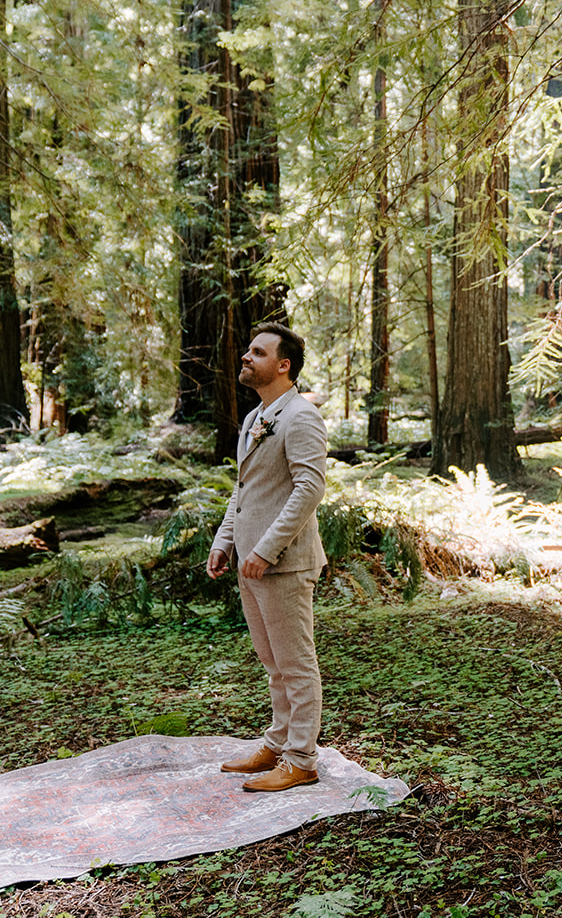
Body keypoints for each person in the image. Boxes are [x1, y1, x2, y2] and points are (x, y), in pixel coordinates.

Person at [207, 323, 329, 792]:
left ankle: (301, 759)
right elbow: (245, 491)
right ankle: (277, 744)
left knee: (296, 663)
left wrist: (263, 550)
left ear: (284, 365)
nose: (245, 357)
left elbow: (309, 489)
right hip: (250, 562)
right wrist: (225, 541)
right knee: (272, 662)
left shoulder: (300, 417)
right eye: (247, 350)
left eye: (256, 352)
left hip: (284, 562)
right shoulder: (256, 416)